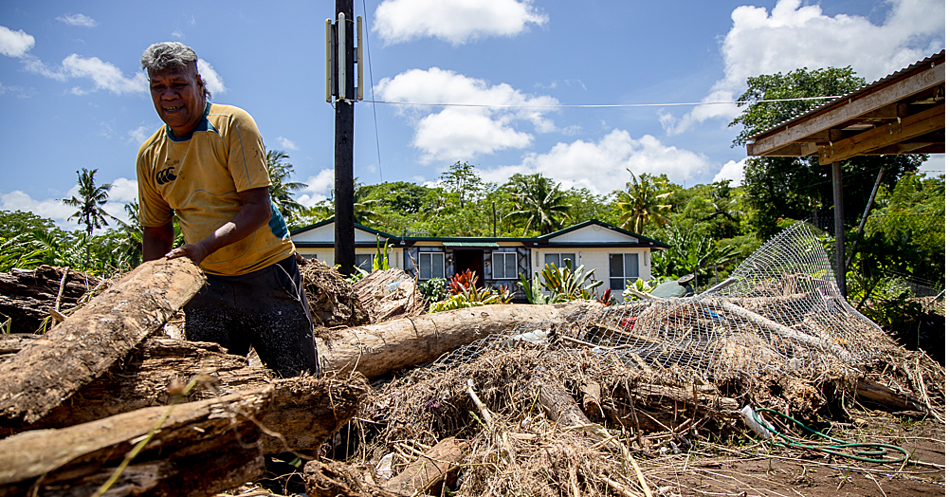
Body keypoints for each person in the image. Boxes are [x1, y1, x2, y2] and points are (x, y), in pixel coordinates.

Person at [136, 41, 318, 377]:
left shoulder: (232, 124)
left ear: (199, 83)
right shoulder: (151, 154)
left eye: (179, 84)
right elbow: (157, 232)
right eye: (158, 87)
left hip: (267, 274)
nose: (169, 96)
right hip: (206, 286)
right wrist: (150, 295)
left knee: (300, 385)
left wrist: (202, 247)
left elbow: (258, 207)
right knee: (208, 391)